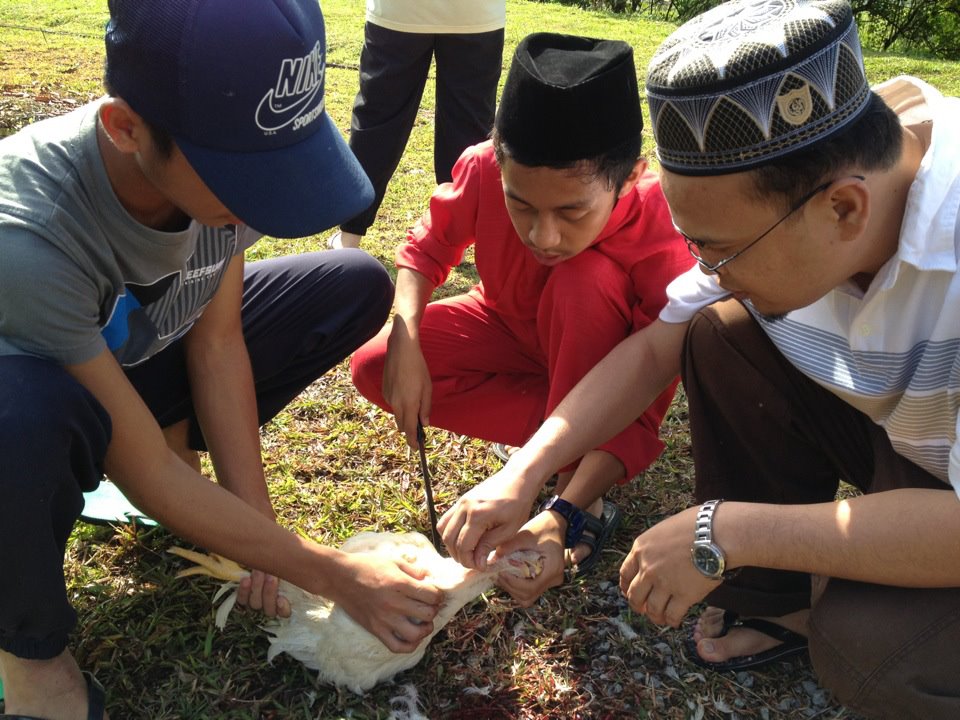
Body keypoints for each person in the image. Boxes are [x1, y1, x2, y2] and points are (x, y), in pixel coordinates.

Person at [441, 1, 960, 717]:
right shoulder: (826, 177)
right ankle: (775, 601)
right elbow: (656, 345)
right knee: (715, 332)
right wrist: (522, 475)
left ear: (843, 210)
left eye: (720, 249)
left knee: (870, 656)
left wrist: (729, 530)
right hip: (921, 444)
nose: (706, 271)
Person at [0, 1, 446, 717]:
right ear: (125, 127)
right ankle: (30, 653)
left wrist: (260, 540)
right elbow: (139, 465)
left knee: (352, 283)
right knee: (19, 419)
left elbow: (216, 343)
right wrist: (333, 573)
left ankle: (178, 443)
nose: (261, 204)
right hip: (40, 384)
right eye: (246, 175)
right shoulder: (28, 240)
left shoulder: (214, 176)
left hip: (123, 356)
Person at [351, 32, 693, 600]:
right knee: (376, 364)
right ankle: (562, 442)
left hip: (607, 376)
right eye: (520, 204)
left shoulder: (661, 226)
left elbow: (645, 392)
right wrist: (406, 333)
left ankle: (580, 485)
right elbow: (425, 250)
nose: (543, 236)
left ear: (630, 176)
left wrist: (561, 510)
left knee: (583, 282)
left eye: (571, 211)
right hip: (506, 329)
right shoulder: (484, 167)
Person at [327, 0, 506, 250]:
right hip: (476, 12)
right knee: (468, 127)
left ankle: (349, 239)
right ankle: (456, 239)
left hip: (398, 10)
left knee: (378, 121)